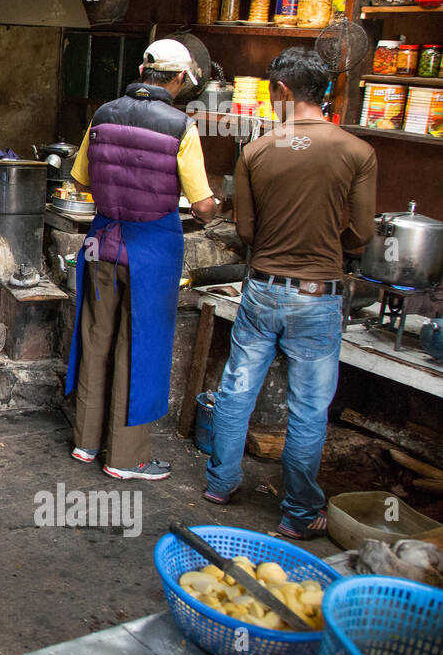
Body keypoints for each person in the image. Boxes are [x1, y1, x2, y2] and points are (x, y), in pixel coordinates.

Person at [205, 48, 377, 539]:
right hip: (318, 294)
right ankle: (299, 514)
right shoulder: (357, 152)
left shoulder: (255, 151)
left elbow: (245, 228)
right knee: (307, 408)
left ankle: (221, 484)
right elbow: (362, 232)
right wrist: (324, 248)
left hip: (261, 288)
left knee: (237, 388)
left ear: (282, 91)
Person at [65, 39, 219, 480]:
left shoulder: (102, 115)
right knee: (140, 345)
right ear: (178, 79)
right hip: (151, 251)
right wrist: (217, 209)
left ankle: (86, 442)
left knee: (95, 339)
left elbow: (81, 178)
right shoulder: (180, 127)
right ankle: (126, 458)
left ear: (142, 70)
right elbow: (202, 203)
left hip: (101, 241)